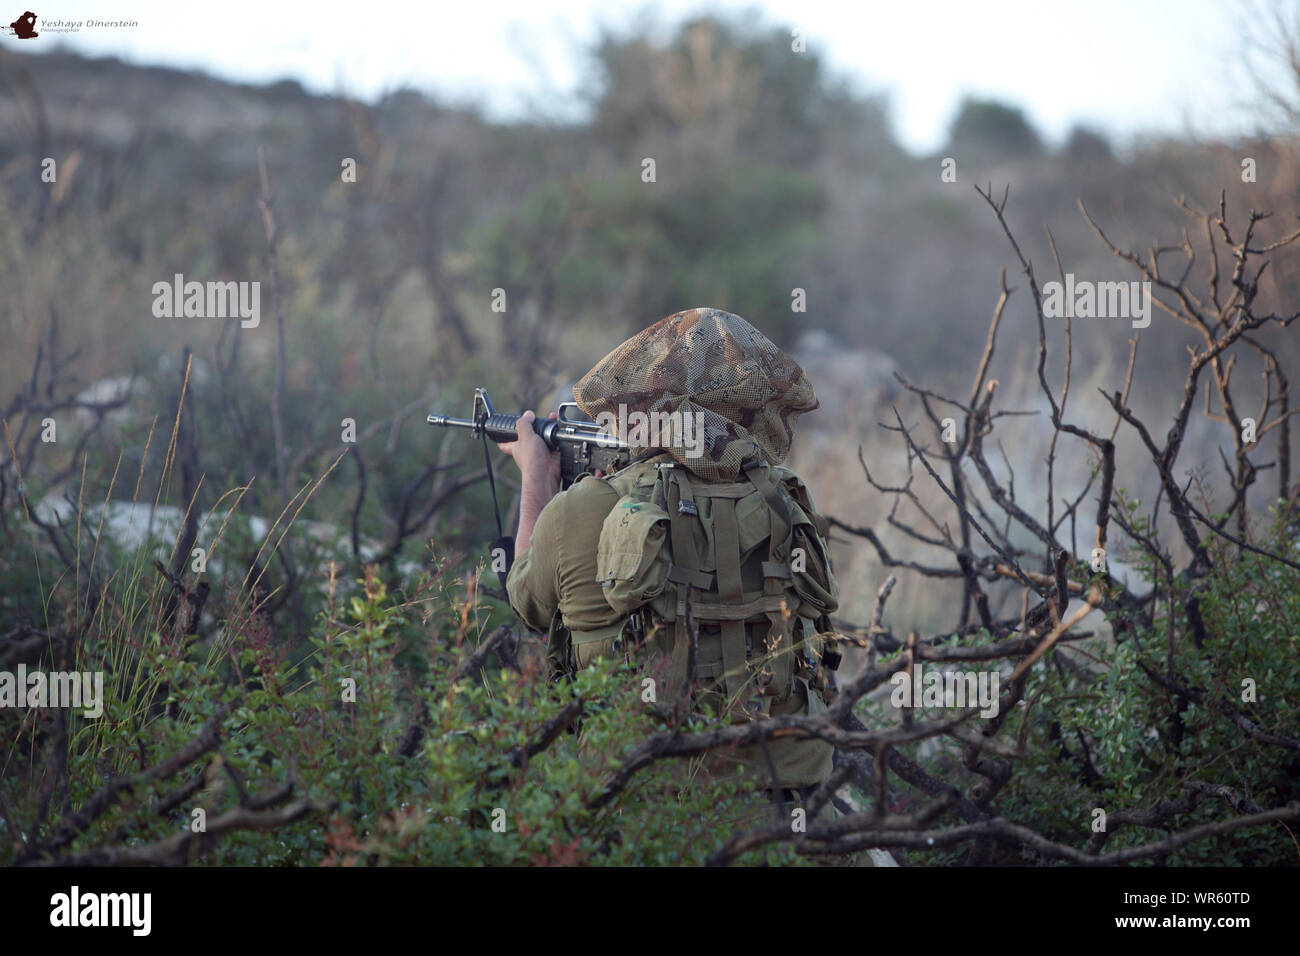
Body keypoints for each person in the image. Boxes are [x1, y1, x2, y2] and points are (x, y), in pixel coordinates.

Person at [501, 307, 842, 807]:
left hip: (640, 805)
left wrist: (537, 478)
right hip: (787, 797)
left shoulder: (583, 509)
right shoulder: (787, 505)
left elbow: (525, 601)